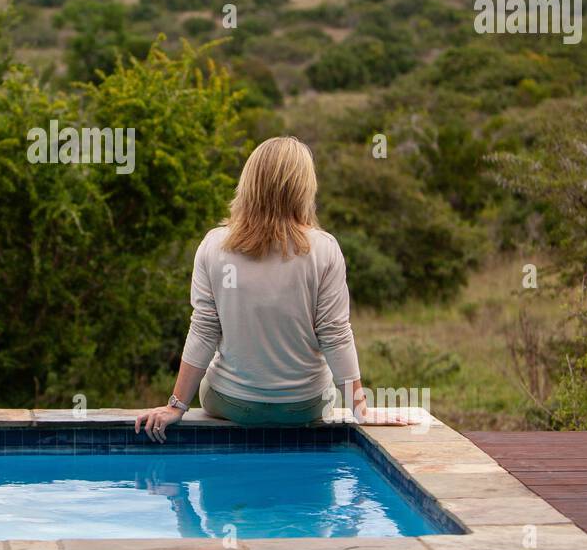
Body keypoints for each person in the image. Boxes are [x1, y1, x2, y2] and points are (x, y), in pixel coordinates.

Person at [135, 136, 406, 441]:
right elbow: (335, 334)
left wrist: (176, 406)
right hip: (305, 406)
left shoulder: (214, 245)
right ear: (304, 187)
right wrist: (362, 410)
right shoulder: (324, 248)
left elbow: (204, 330)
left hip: (231, 403)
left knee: (216, 365)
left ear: (248, 182)